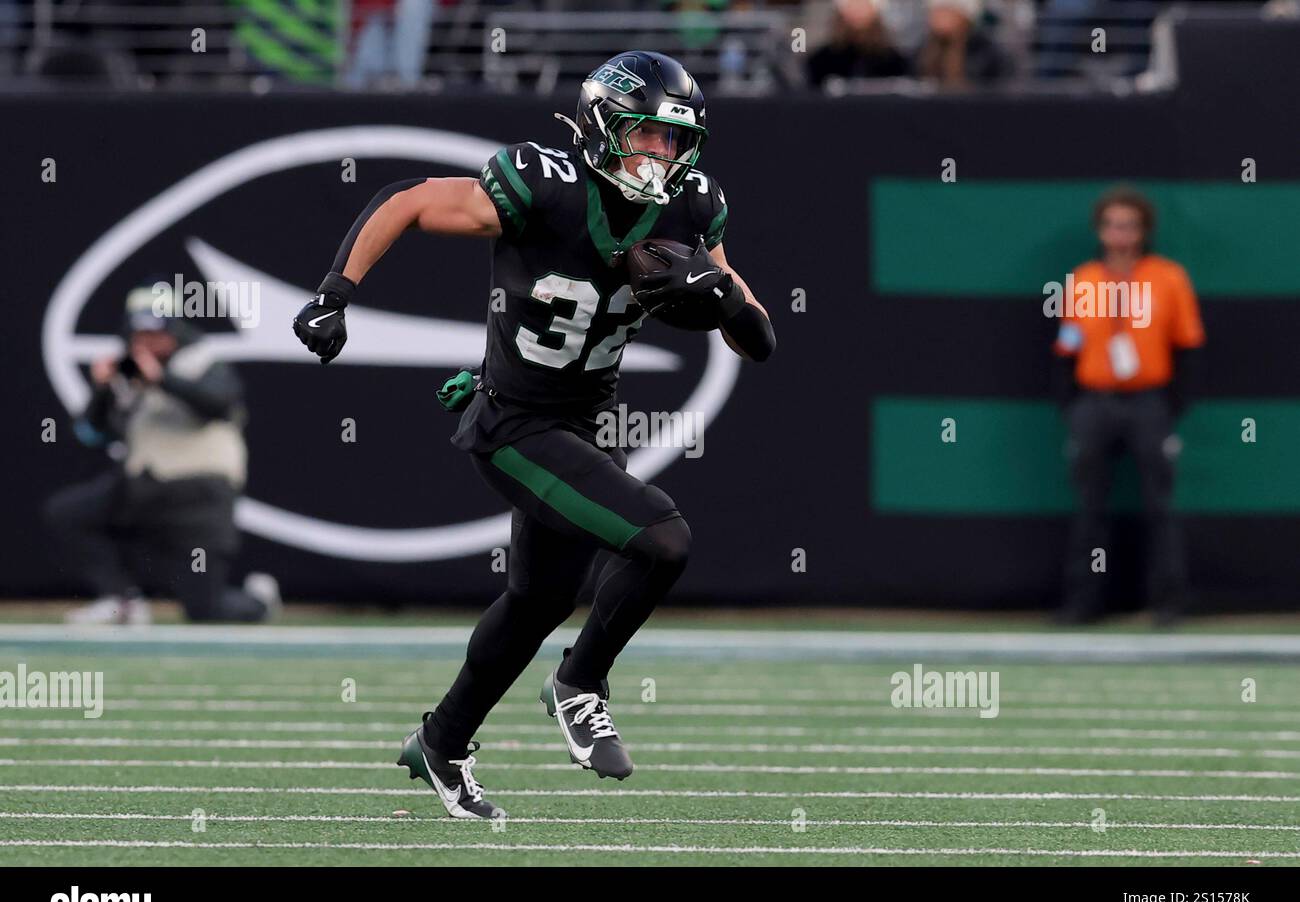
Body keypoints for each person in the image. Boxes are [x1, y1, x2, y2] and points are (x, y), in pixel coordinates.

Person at [292, 50, 774, 819]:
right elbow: (409, 199)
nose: (661, 156)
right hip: (514, 425)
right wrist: (335, 293)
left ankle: (441, 745)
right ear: (601, 125)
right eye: (645, 136)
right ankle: (579, 683)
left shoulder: (692, 206)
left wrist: (718, 299)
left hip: (582, 424)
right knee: (662, 539)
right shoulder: (542, 183)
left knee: (537, 598)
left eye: (673, 142)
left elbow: (759, 338)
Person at [46, 284, 280, 625]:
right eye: (139, 333)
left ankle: (259, 602)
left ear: (175, 329)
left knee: (205, 613)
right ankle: (121, 600)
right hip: (144, 490)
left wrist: (161, 378)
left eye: (155, 332)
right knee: (68, 513)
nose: (147, 342)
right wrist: (102, 391)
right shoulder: (126, 372)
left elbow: (218, 403)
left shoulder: (202, 361)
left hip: (198, 499)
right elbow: (91, 434)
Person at [1052, 187, 1205, 626]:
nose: (1120, 233)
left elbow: (1189, 347)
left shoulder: (1168, 278)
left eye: (1130, 224)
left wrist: (1173, 408)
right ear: (1100, 230)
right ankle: (1083, 602)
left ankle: (1168, 603)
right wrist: (1072, 408)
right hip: (1095, 403)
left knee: (1161, 505)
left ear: (1143, 231)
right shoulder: (1082, 281)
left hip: (1148, 403)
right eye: (1113, 224)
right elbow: (1067, 347)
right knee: (1089, 506)